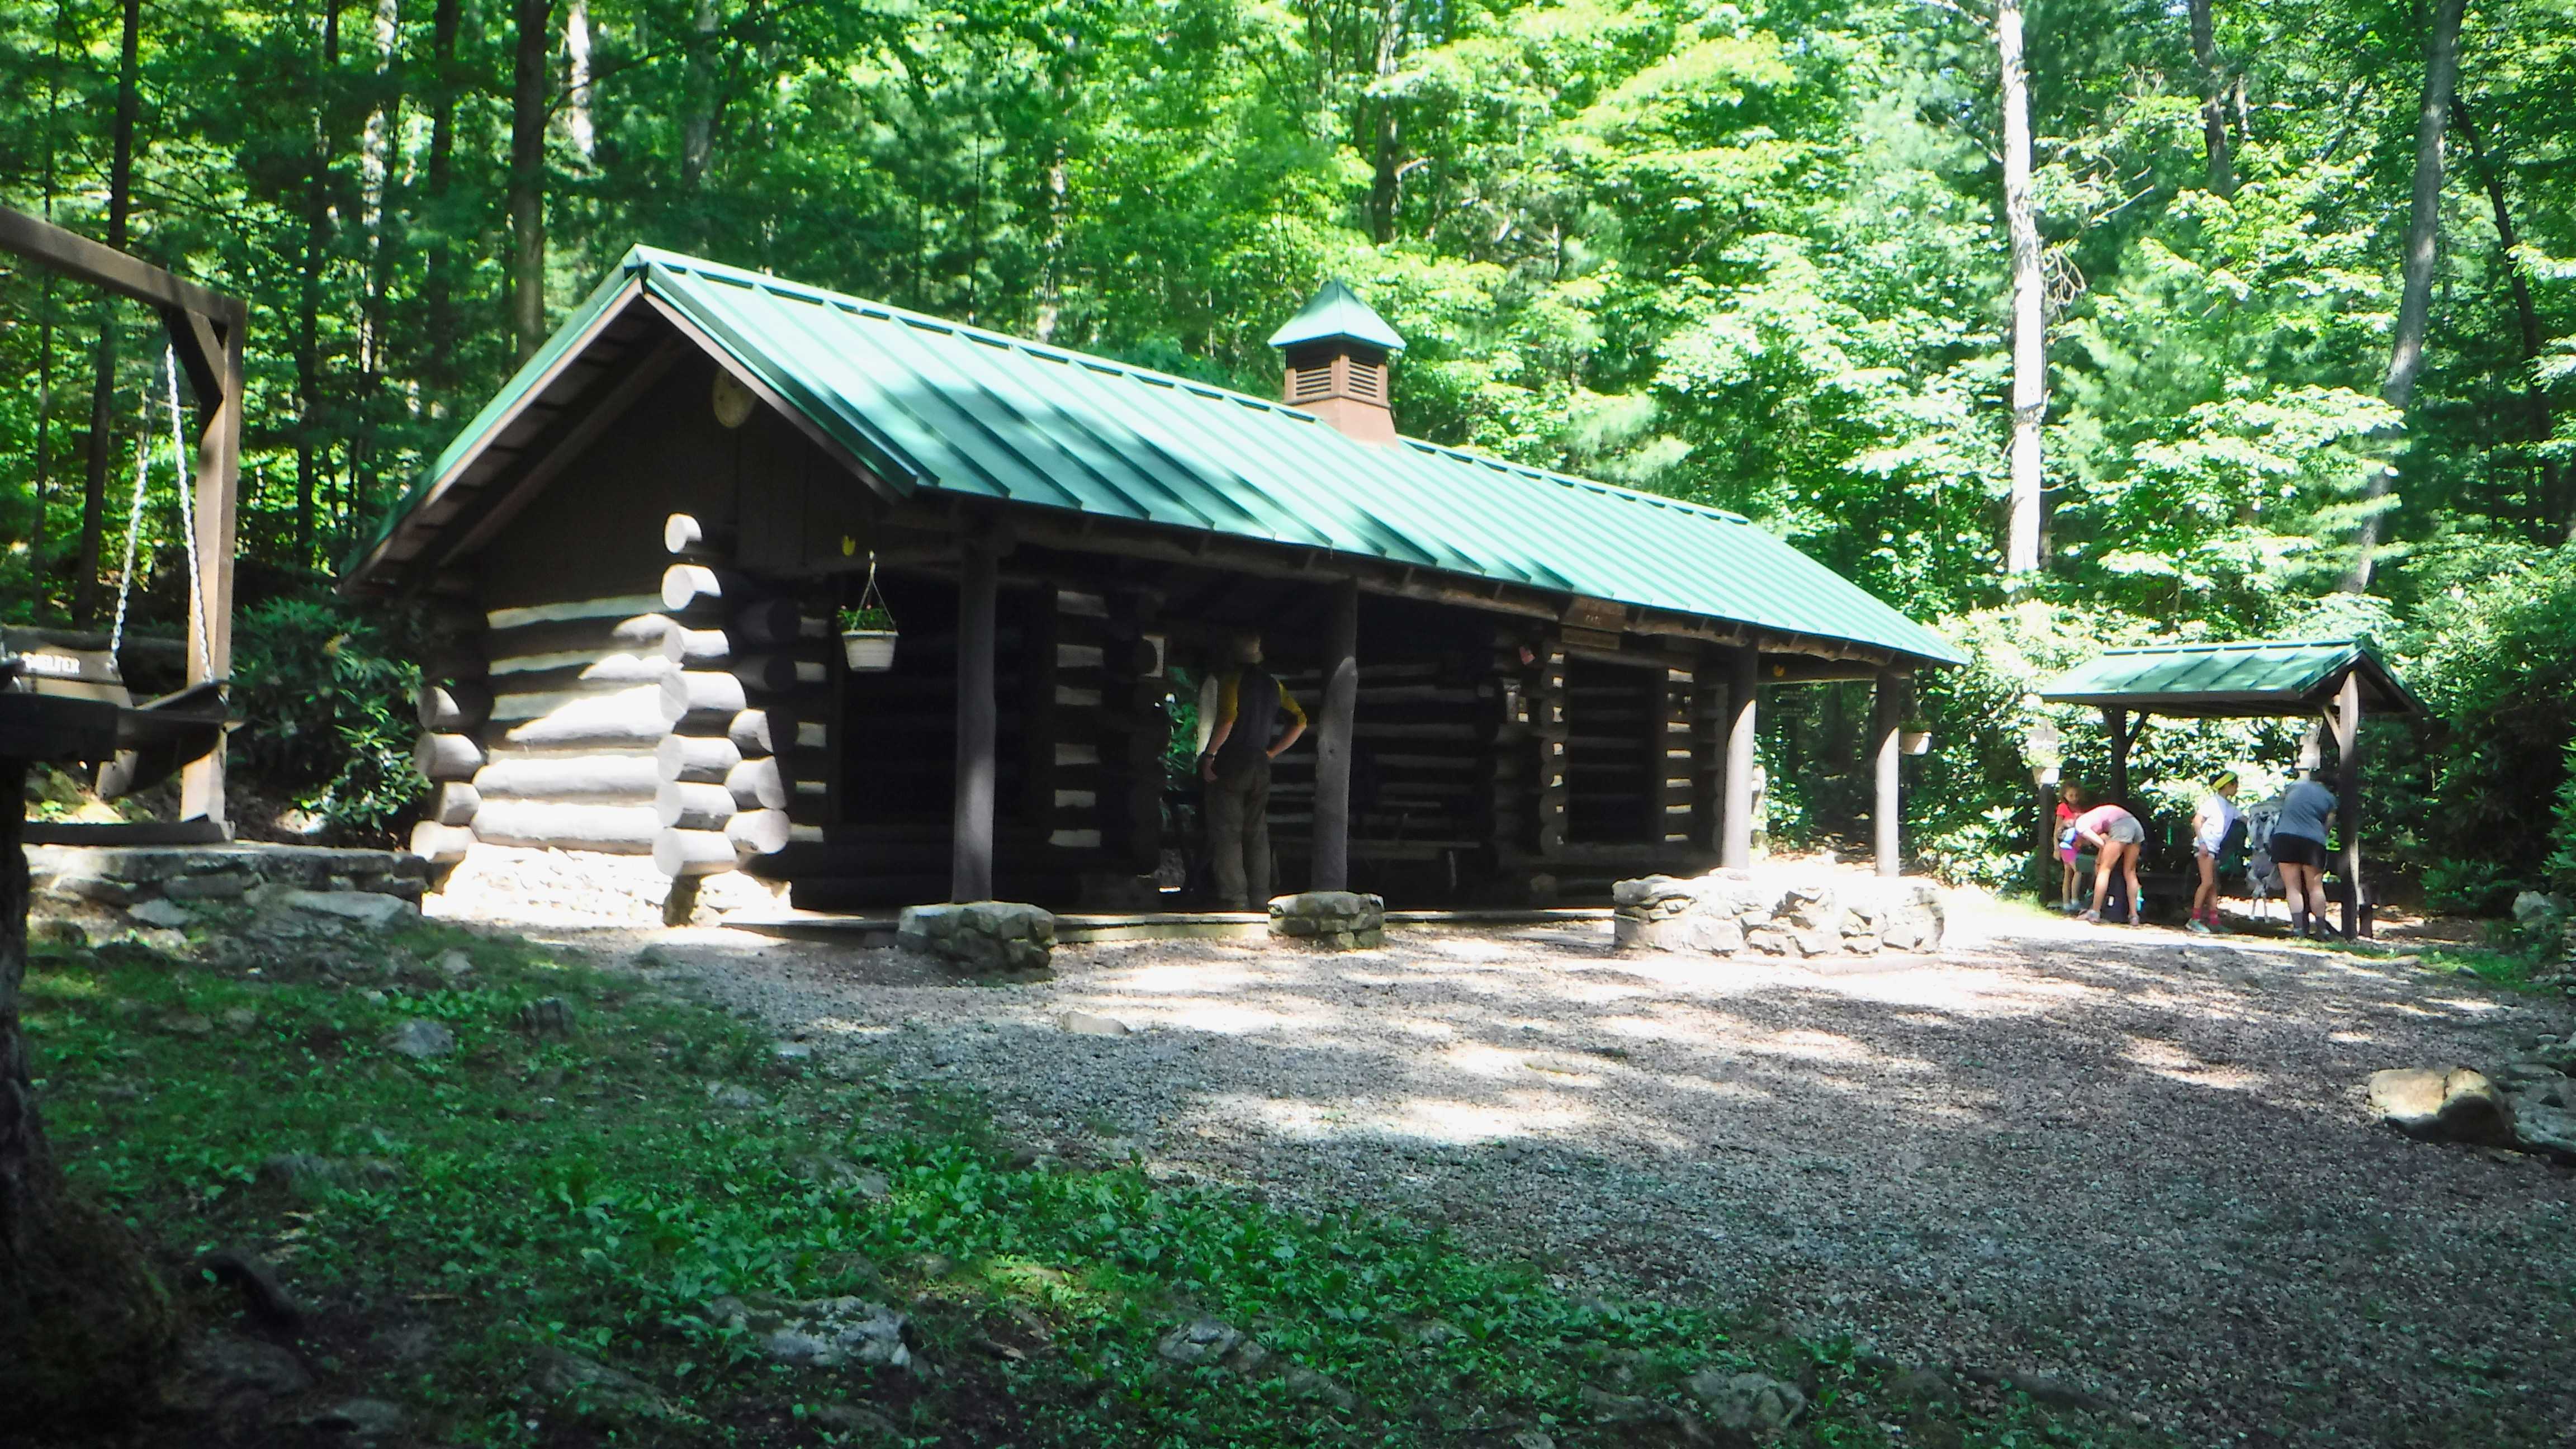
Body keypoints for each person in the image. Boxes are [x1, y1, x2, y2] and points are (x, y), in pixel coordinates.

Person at [1199, 634, 1307, 910]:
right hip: (1260, 763)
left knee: (1228, 831)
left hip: (1232, 761)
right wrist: (1272, 752)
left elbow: (1228, 718)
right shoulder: (1274, 685)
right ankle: (1261, 897)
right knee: (1257, 831)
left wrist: (1210, 755)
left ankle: (1235, 899)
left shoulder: (1231, 680)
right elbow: (1300, 721)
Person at [2272, 772, 2338, 939]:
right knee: (2315, 887)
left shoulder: (2295, 786)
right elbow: (2327, 828)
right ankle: (2321, 929)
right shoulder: (2330, 799)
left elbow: (2278, 805)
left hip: (2285, 837)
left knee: (2293, 888)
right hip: (2313, 842)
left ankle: (2298, 929)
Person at [2072, 799, 2146, 925]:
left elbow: (2102, 844)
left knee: (2104, 870)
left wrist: (2098, 862)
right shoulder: (2095, 818)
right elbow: (2106, 840)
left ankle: (2095, 912)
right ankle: (2134, 916)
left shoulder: (2080, 825)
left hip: (2121, 826)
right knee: (2130, 872)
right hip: (2135, 825)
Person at [2187, 771, 2243, 935]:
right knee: (2207, 882)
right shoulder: (2212, 803)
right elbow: (2197, 821)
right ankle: (2194, 919)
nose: (2237, 788)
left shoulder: (2230, 807)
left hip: (2213, 848)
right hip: (2205, 847)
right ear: (2227, 786)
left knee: (2213, 885)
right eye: (2235, 785)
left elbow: (2245, 819)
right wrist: (2202, 842)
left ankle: (2214, 921)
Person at [2053, 783, 2086, 911]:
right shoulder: (2063, 808)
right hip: (2066, 845)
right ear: (2065, 795)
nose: (2074, 798)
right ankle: (2074, 899)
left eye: (2076, 795)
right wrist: (2056, 848)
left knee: (2068, 873)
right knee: (2079, 869)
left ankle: (2067, 903)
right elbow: (2057, 830)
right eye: (2071, 795)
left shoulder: (2079, 809)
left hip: (2076, 844)